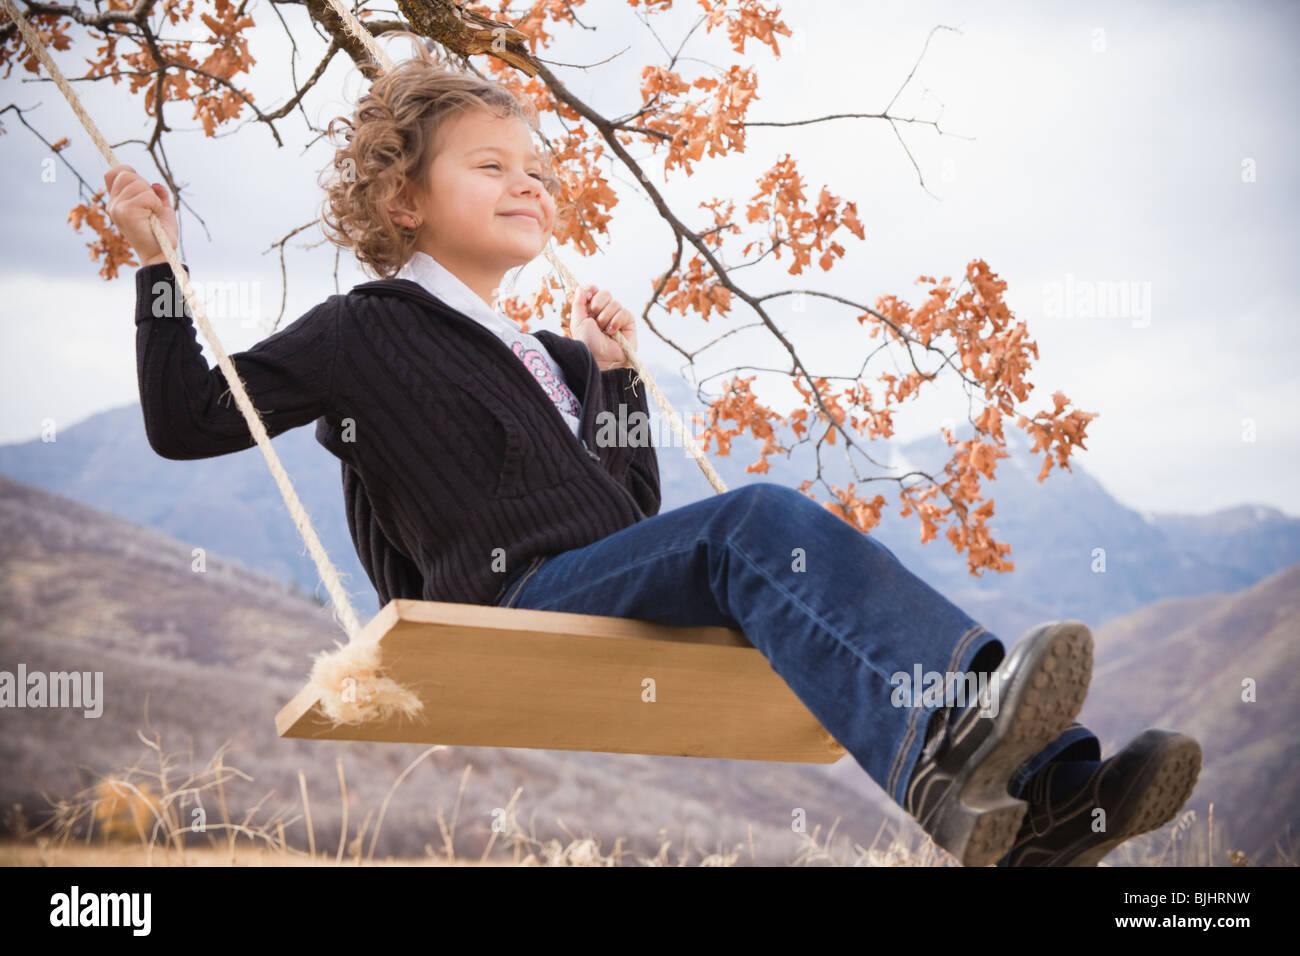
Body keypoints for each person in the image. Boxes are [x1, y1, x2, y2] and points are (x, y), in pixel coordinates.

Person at [105, 32, 1200, 866]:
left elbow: (629, 515)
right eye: (490, 166)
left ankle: (1055, 799)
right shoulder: (363, 327)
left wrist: (616, 375)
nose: (529, 182)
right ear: (404, 198)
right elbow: (191, 420)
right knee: (755, 521)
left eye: (535, 166)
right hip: (507, 601)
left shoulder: (555, 354)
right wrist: (159, 267)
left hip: (597, 583)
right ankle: (949, 756)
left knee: (757, 533)